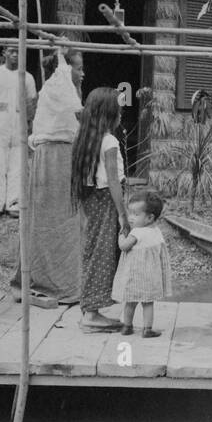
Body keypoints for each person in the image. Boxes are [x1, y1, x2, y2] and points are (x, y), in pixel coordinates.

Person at [10, 49, 85, 307]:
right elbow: (79, 112)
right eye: (78, 68)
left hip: (62, 156)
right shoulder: (57, 86)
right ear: (65, 69)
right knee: (52, 219)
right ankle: (44, 282)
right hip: (54, 159)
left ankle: (61, 280)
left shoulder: (65, 89)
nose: (82, 73)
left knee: (66, 221)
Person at [72, 87, 127, 331]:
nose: (122, 113)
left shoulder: (85, 137)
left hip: (91, 198)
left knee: (93, 250)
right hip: (106, 200)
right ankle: (92, 314)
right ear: (109, 113)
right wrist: (123, 214)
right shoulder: (110, 141)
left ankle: (90, 308)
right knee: (102, 254)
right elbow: (113, 181)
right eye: (119, 109)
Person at [0, 44, 37, 217]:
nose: (15, 55)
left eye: (18, 52)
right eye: (11, 51)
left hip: (19, 125)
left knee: (18, 164)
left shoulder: (27, 77)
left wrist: (30, 124)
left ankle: (14, 202)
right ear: (5, 52)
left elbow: (31, 103)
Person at [112, 189, 172, 338]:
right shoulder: (156, 232)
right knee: (148, 303)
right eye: (130, 213)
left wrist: (120, 236)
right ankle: (147, 329)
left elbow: (124, 247)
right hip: (150, 278)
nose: (131, 218)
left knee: (130, 302)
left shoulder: (137, 233)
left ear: (150, 217)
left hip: (134, 277)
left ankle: (127, 326)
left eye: (136, 214)